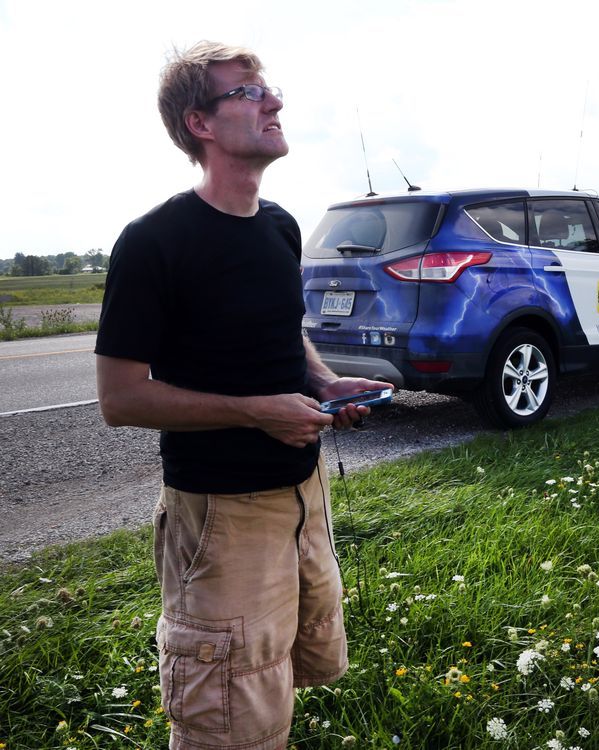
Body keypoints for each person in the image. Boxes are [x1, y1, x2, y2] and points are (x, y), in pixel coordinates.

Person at [95, 41, 391, 749]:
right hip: (221, 518)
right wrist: (257, 412)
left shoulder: (279, 227)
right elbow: (121, 398)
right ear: (200, 123)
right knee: (225, 719)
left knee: (275, 680)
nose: (274, 102)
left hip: (302, 496)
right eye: (249, 93)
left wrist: (321, 383)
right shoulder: (153, 242)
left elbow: (283, 334)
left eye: (270, 90)